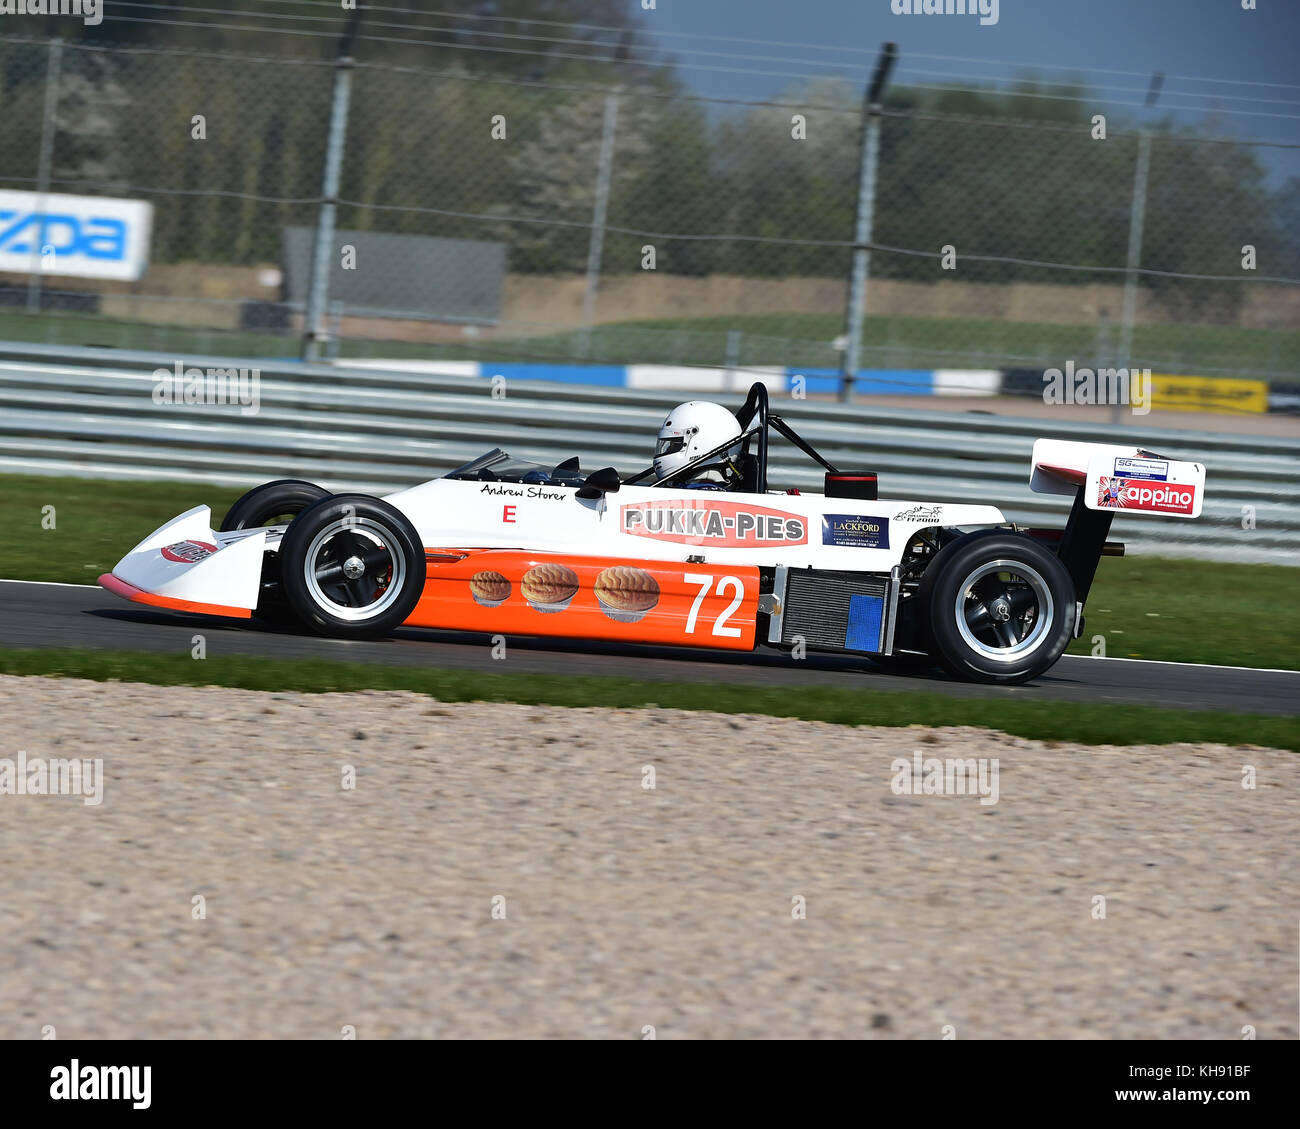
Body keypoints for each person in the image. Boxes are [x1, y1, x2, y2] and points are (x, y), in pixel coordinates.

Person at [652, 401, 744, 490]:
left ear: (701, 444)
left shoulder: (706, 494)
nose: (668, 449)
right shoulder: (685, 487)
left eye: (675, 445)